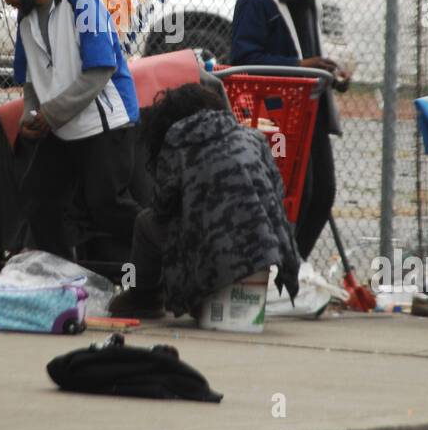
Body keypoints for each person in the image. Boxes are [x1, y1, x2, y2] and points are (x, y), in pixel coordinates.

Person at [0, 0, 142, 260]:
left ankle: (164, 254)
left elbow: (99, 71)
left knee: (107, 205)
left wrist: (50, 114)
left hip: (105, 123)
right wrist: (31, 114)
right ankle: (60, 272)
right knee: (39, 197)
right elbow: (30, 77)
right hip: (60, 125)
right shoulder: (26, 16)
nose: (7, 2)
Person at [108, 84, 300, 319]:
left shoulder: (177, 140)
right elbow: (277, 192)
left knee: (145, 222)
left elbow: (162, 205)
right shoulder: (253, 138)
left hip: (212, 255)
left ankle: (143, 297)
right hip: (262, 253)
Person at [230, 0, 350, 259]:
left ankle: (295, 264)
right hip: (278, 114)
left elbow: (310, 53)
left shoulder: (309, 1)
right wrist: (299, 67)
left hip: (312, 111)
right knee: (298, 194)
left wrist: (330, 73)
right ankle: (277, 266)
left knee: (323, 194)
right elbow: (244, 58)